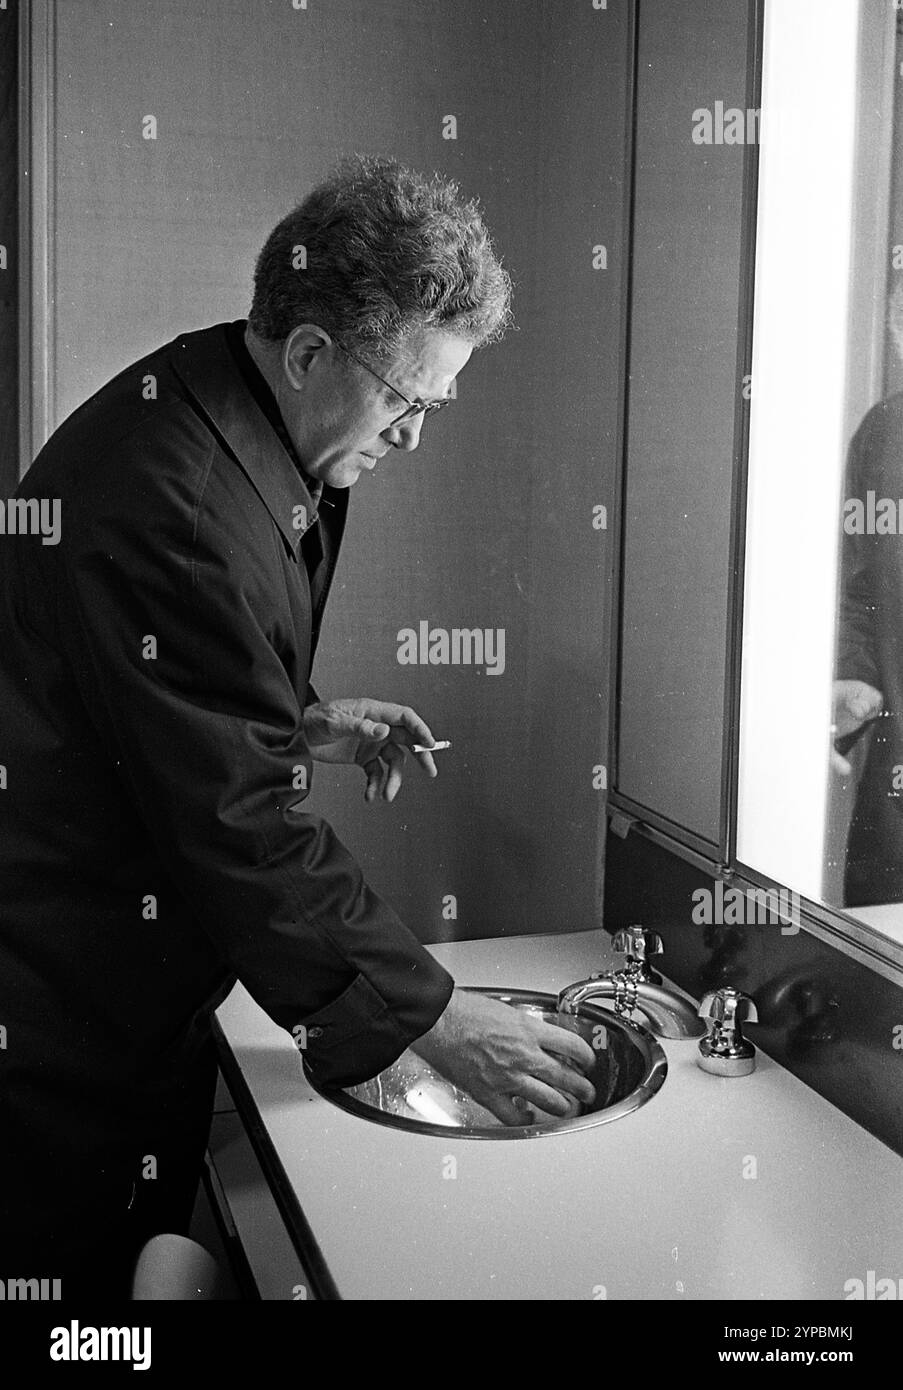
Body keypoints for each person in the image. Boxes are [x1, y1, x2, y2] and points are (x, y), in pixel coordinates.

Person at [0, 156, 595, 1299]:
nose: (417, 438)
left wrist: (298, 718)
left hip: (121, 973)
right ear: (312, 352)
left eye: (436, 405)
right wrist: (435, 1014)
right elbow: (243, 833)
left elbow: (150, 690)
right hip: (61, 1018)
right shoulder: (179, 509)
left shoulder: (228, 408)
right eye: (407, 401)